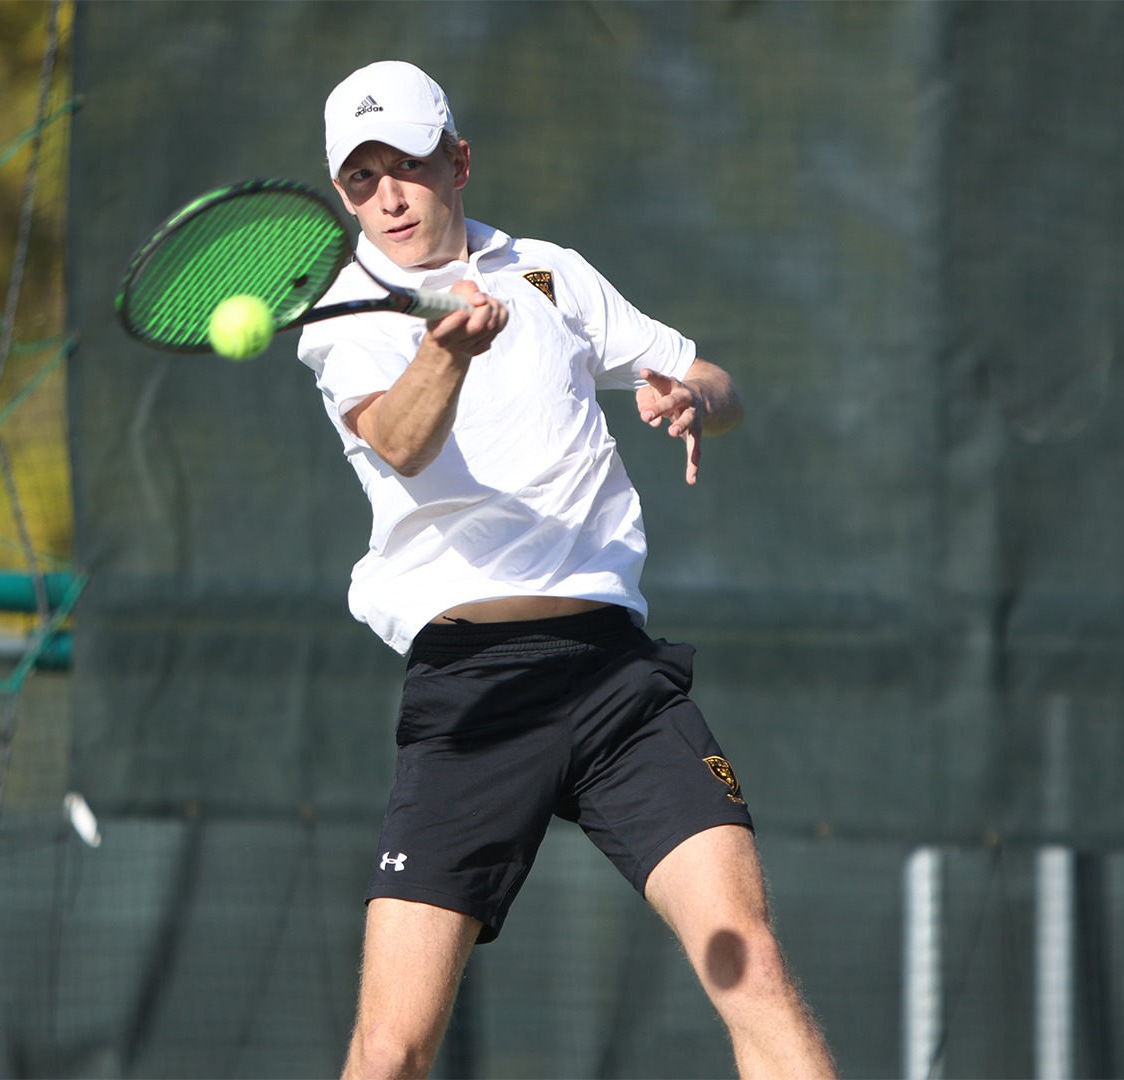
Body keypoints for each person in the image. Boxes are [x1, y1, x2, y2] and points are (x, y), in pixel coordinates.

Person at [297, 60, 838, 1080]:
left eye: (406, 165)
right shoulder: (348, 315)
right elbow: (403, 443)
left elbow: (709, 376)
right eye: (361, 179)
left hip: (612, 677)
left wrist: (693, 395)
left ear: (456, 161)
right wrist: (447, 351)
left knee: (749, 959)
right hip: (473, 691)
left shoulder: (547, 272)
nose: (388, 197)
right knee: (392, 1047)